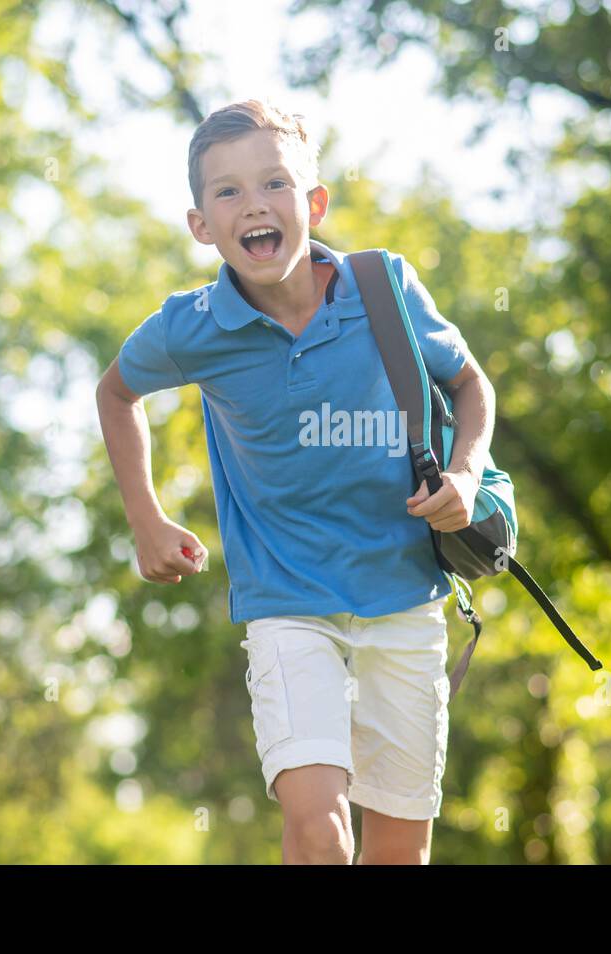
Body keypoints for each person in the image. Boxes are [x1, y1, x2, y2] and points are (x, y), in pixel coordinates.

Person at [95, 98, 496, 864]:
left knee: (396, 855)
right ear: (201, 226)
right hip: (286, 604)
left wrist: (467, 476)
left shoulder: (387, 289)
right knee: (319, 831)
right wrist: (146, 519)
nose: (254, 204)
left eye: (275, 183)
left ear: (313, 202)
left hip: (406, 595)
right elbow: (116, 393)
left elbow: (472, 383)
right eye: (228, 192)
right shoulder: (194, 327)